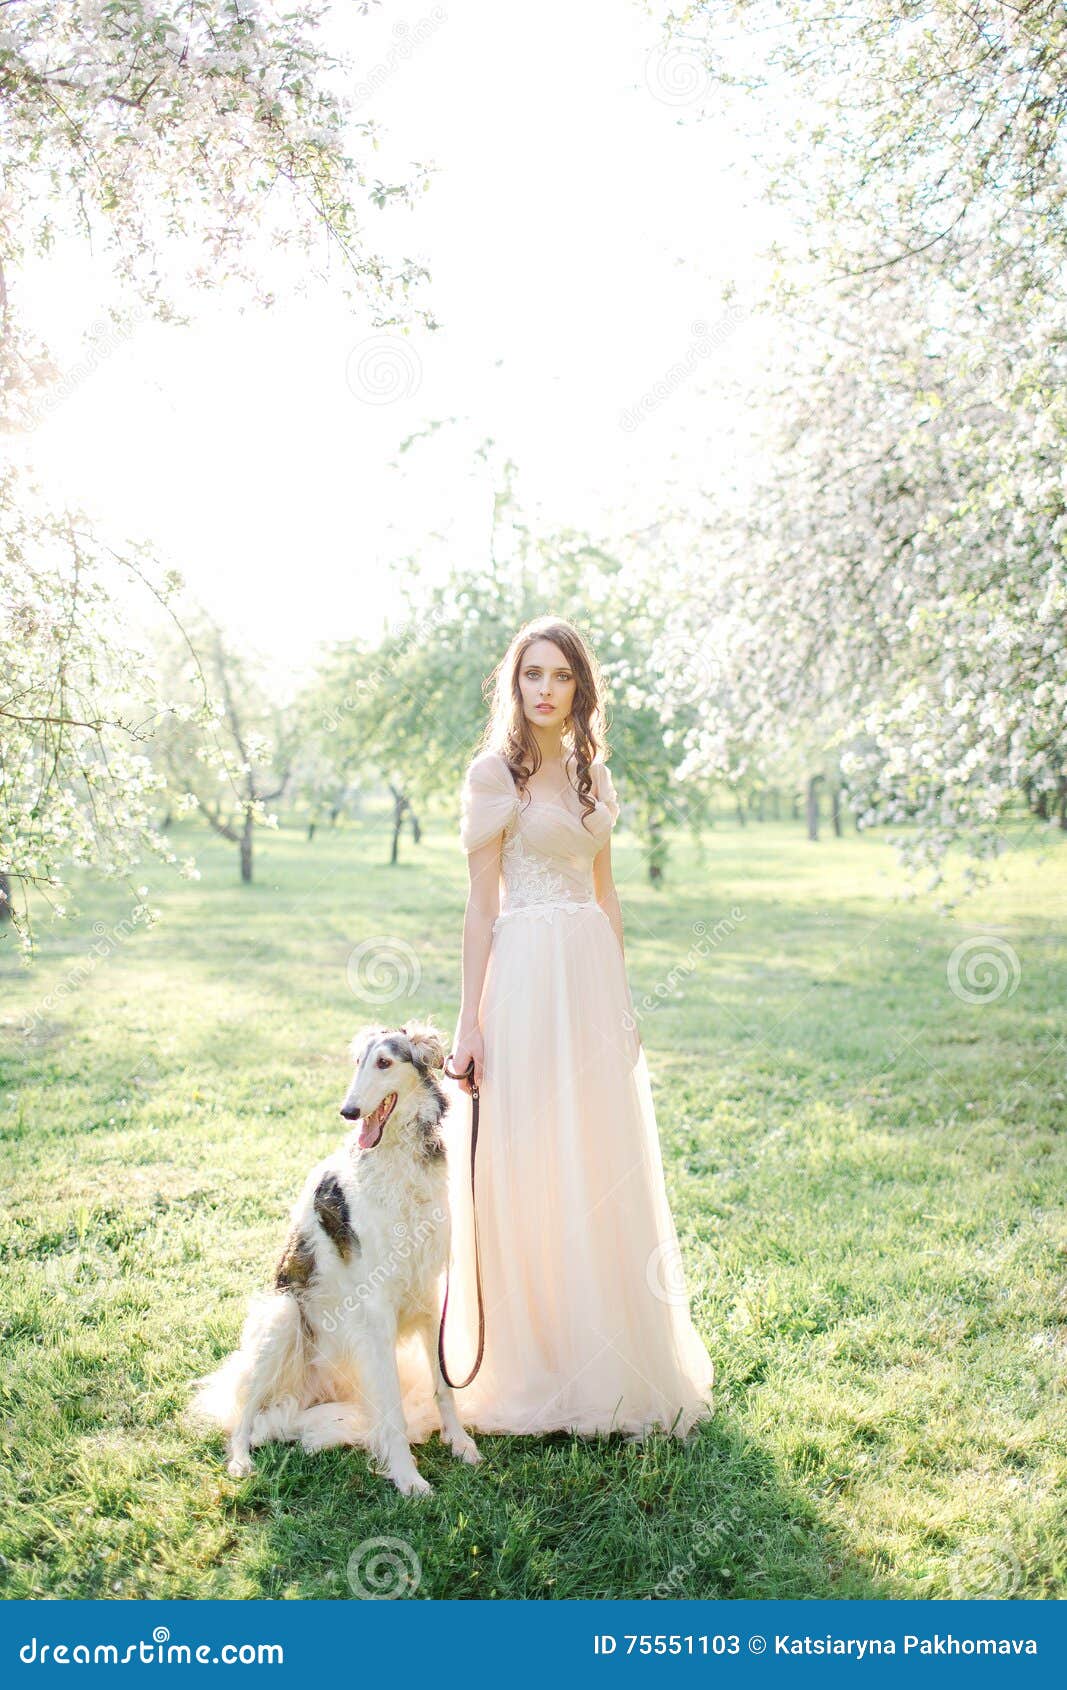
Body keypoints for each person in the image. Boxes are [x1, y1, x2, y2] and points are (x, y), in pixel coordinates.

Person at [441, 614, 715, 1441]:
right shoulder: (497, 777)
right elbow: (480, 906)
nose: (546, 689)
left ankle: (608, 1359)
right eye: (532, 675)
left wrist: (623, 1001)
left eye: (560, 675)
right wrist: (469, 1025)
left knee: (597, 1156)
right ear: (514, 685)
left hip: (590, 980)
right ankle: (533, 1360)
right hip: (525, 975)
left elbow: (607, 893)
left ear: (579, 688)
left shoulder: (593, 773)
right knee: (529, 1156)